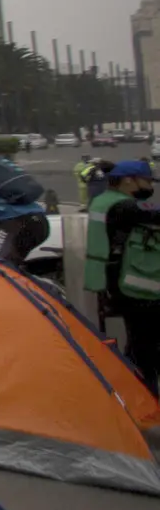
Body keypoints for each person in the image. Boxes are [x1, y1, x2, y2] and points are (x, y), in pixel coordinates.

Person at [94, 158, 160, 390]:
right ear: (129, 181)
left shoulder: (120, 204)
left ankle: (138, 392)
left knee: (142, 345)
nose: (150, 186)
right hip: (134, 290)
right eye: (147, 181)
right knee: (144, 348)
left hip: (137, 288)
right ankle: (143, 395)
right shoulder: (120, 206)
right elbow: (151, 213)